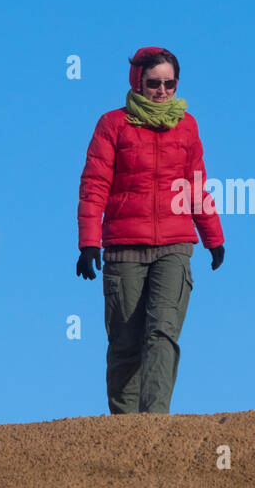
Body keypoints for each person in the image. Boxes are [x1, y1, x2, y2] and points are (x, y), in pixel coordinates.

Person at [75, 46, 225, 414]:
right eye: (153, 83)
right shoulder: (113, 125)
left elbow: (195, 186)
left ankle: (154, 423)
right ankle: (125, 432)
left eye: (169, 84)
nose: (161, 91)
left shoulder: (187, 126)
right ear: (137, 83)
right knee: (125, 342)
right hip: (124, 248)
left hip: (175, 246)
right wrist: (88, 243)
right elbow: (94, 185)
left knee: (162, 333)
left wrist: (214, 238)